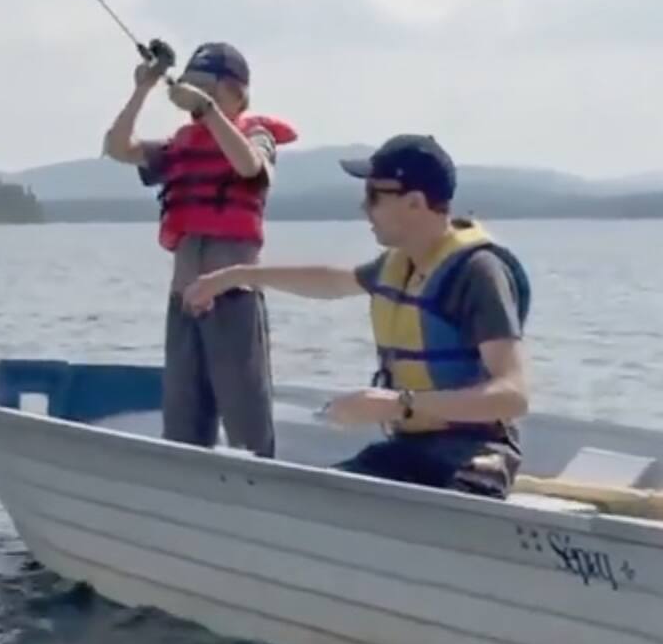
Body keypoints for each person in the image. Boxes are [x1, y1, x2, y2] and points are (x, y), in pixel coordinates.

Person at [181, 134, 533, 498]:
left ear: (415, 203)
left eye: (374, 195)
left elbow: (513, 395)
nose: (364, 207)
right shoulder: (401, 265)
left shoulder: (479, 274)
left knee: (423, 504)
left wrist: (398, 404)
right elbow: (332, 281)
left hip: (476, 454)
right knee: (323, 496)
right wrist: (235, 276)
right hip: (413, 449)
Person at [101, 37, 298, 458]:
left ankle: (258, 485)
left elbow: (249, 166)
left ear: (237, 93)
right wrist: (144, 87)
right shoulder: (181, 144)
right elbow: (118, 148)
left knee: (246, 419)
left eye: (208, 88)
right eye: (193, 87)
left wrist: (208, 111)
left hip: (233, 300)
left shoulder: (255, 136)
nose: (196, 98)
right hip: (183, 303)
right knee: (183, 420)